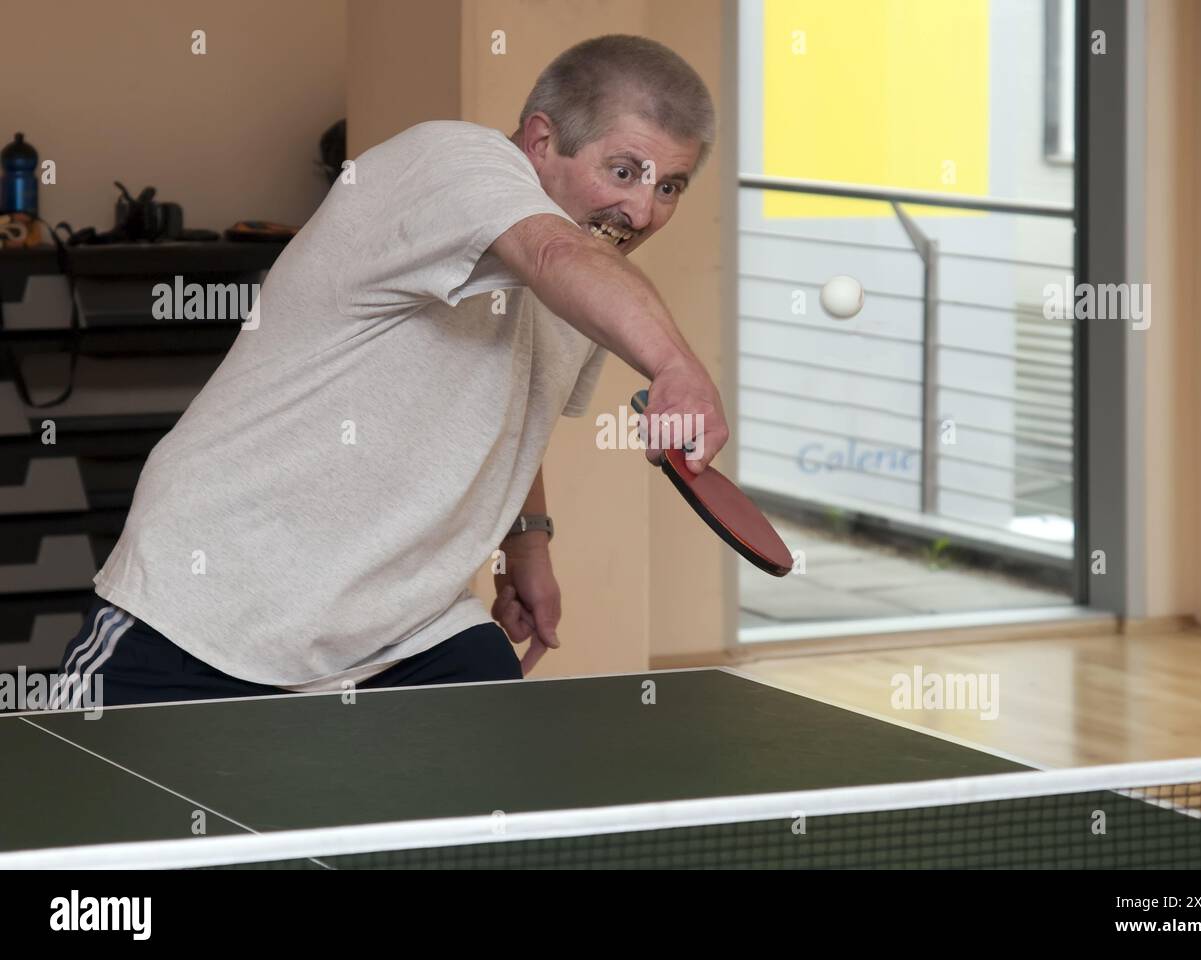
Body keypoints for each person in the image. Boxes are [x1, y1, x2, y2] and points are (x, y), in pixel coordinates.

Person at [53, 34, 727, 708]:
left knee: (500, 790)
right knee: (87, 808)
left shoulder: (594, 272)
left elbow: (517, 406)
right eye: (623, 171)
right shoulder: (448, 161)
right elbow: (552, 257)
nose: (642, 211)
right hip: (211, 607)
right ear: (541, 142)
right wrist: (676, 367)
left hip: (406, 629)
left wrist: (527, 545)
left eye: (668, 185)